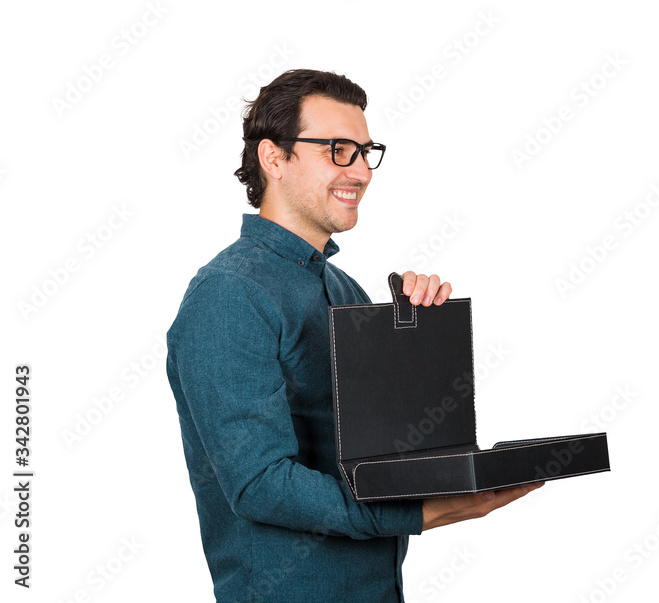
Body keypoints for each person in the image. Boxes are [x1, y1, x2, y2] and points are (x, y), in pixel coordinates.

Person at [165, 69, 541, 602]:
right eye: (338, 150)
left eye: (367, 152)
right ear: (274, 159)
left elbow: (378, 454)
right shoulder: (229, 294)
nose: (361, 171)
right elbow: (260, 484)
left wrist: (414, 339)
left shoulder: (345, 289)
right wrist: (419, 513)